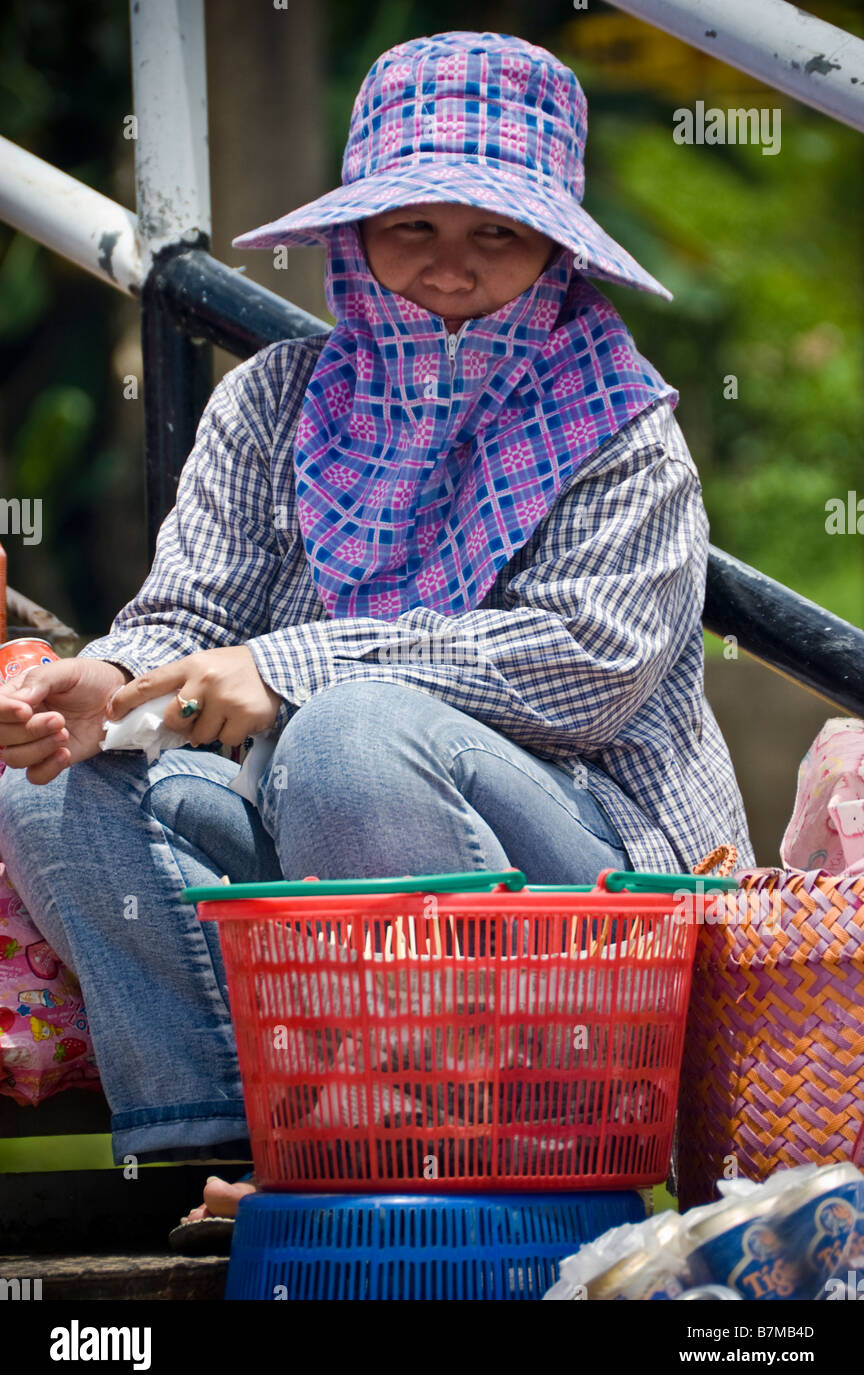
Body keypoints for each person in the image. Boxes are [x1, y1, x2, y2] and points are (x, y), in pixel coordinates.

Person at [0, 31, 754, 1246]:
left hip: (596, 901)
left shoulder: (626, 431)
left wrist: (292, 669)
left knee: (350, 737)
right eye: (414, 229)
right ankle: (225, 1162)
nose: (449, 271)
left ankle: (416, 1149)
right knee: (57, 782)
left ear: (554, 251)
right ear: (357, 238)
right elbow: (192, 617)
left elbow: (587, 673)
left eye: (495, 235)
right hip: (329, 871)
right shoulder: (272, 400)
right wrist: (112, 683)